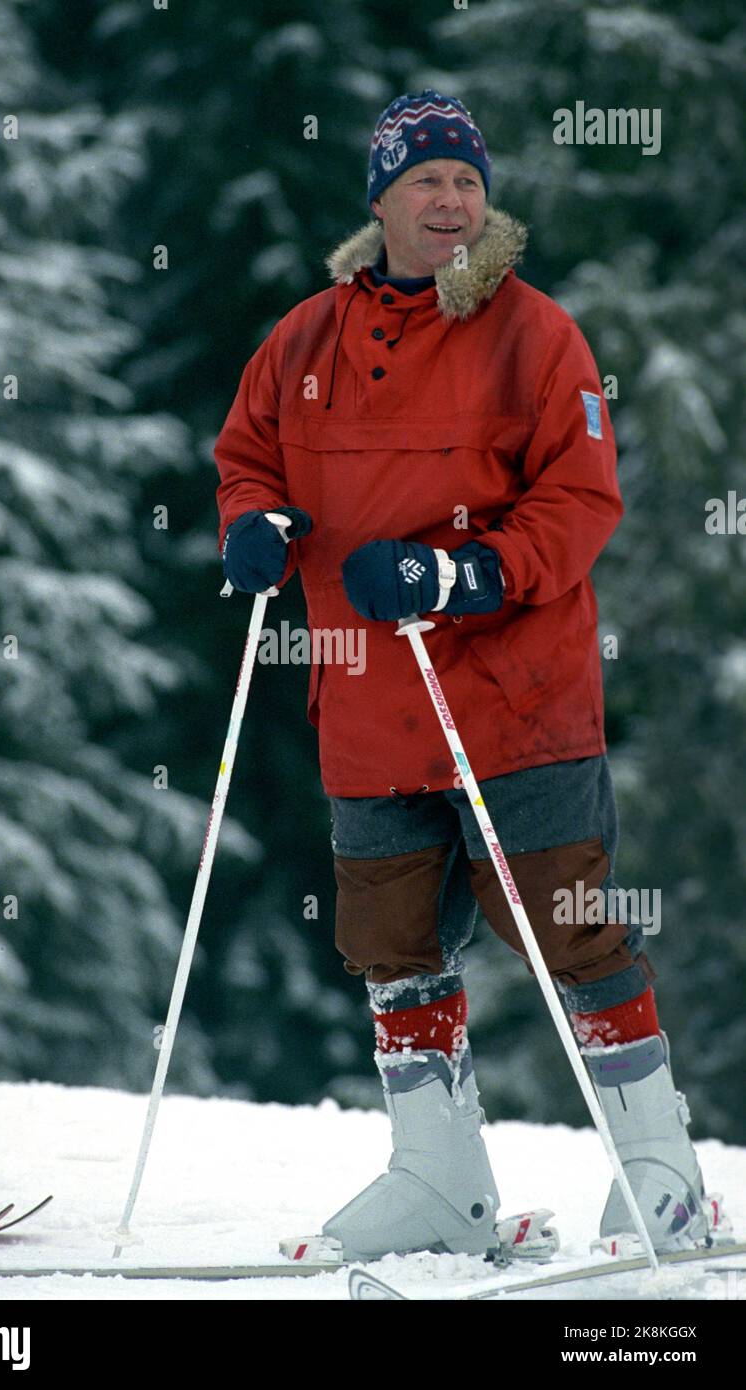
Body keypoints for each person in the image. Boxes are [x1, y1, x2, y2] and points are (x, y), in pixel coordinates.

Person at [213, 90, 724, 1261]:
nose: (452, 202)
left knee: (570, 928)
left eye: (469, 183)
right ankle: (441, 1177)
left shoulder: (537, 333)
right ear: (380, 199)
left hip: (516, 700)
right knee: (390, 942)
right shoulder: (303, 341)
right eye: (428, 181)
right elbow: (248, 456)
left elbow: (583, 498)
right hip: (368, 703)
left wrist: (464, 574)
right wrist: (252, 523)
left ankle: (661, 1170)